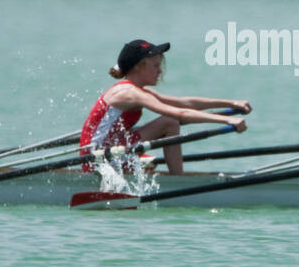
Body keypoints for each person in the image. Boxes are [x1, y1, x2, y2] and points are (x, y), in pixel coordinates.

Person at [81, 40, 250, 174]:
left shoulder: (136, 90)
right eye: (155, 66)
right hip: (97, 159)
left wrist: (231, 103)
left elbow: (183, 103)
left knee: (169, 122)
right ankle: (178, 182)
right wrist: (227, 120)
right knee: (169, 122)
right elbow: (180, 114)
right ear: (139, 67)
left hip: (112, 150)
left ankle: (176, 179)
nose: (160, 71)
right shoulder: (130, 94)